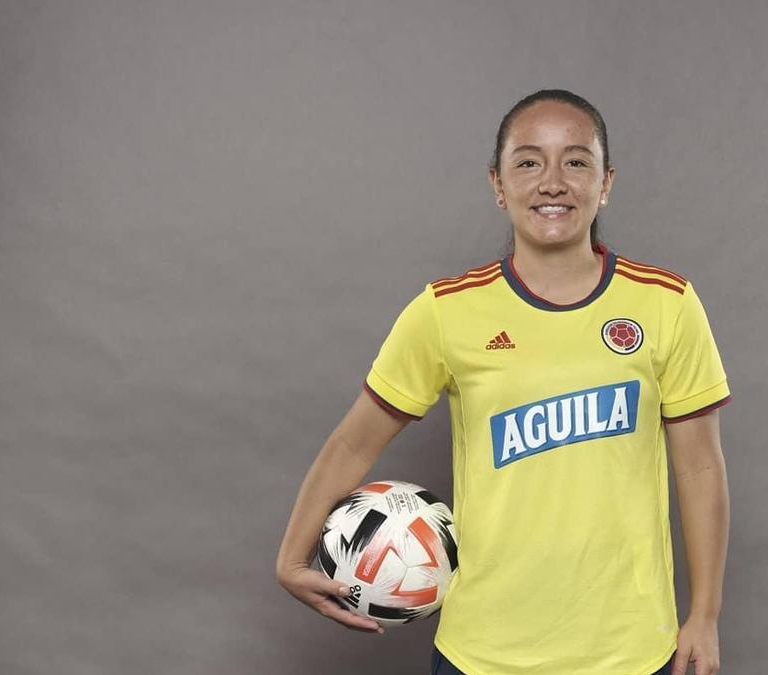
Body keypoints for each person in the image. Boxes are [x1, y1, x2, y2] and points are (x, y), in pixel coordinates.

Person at [276, 89, 731, 675]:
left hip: (629, 650)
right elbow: (353, 443)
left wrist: (706, 613)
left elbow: (699, 465)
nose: (552, 182)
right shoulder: (445, 311)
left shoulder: (666, 303)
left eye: (576, 160)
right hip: (482, 651)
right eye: (528, 161)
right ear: (497, 184)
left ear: (606, 182)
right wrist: (292, 556)